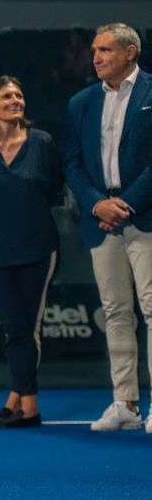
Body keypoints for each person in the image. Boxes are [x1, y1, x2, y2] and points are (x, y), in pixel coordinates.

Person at [62, 23, 152, 433]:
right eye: (94, 50)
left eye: (105, 50)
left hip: (144, 215)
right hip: (101, 217)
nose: (95, 57)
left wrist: (127, 204)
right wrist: (98, 202)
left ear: (130, 52)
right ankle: (126, 404)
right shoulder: (81, 103)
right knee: (116, 312)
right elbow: (72, 164)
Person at [0, 76, 63, 428]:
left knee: (26, 328)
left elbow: (53, 190)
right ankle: (17, 398)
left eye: (19, 95)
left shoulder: (42, 143)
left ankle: (29, 406)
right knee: (13, 328)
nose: (16, 100)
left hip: (37, 247)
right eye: (6, 96)